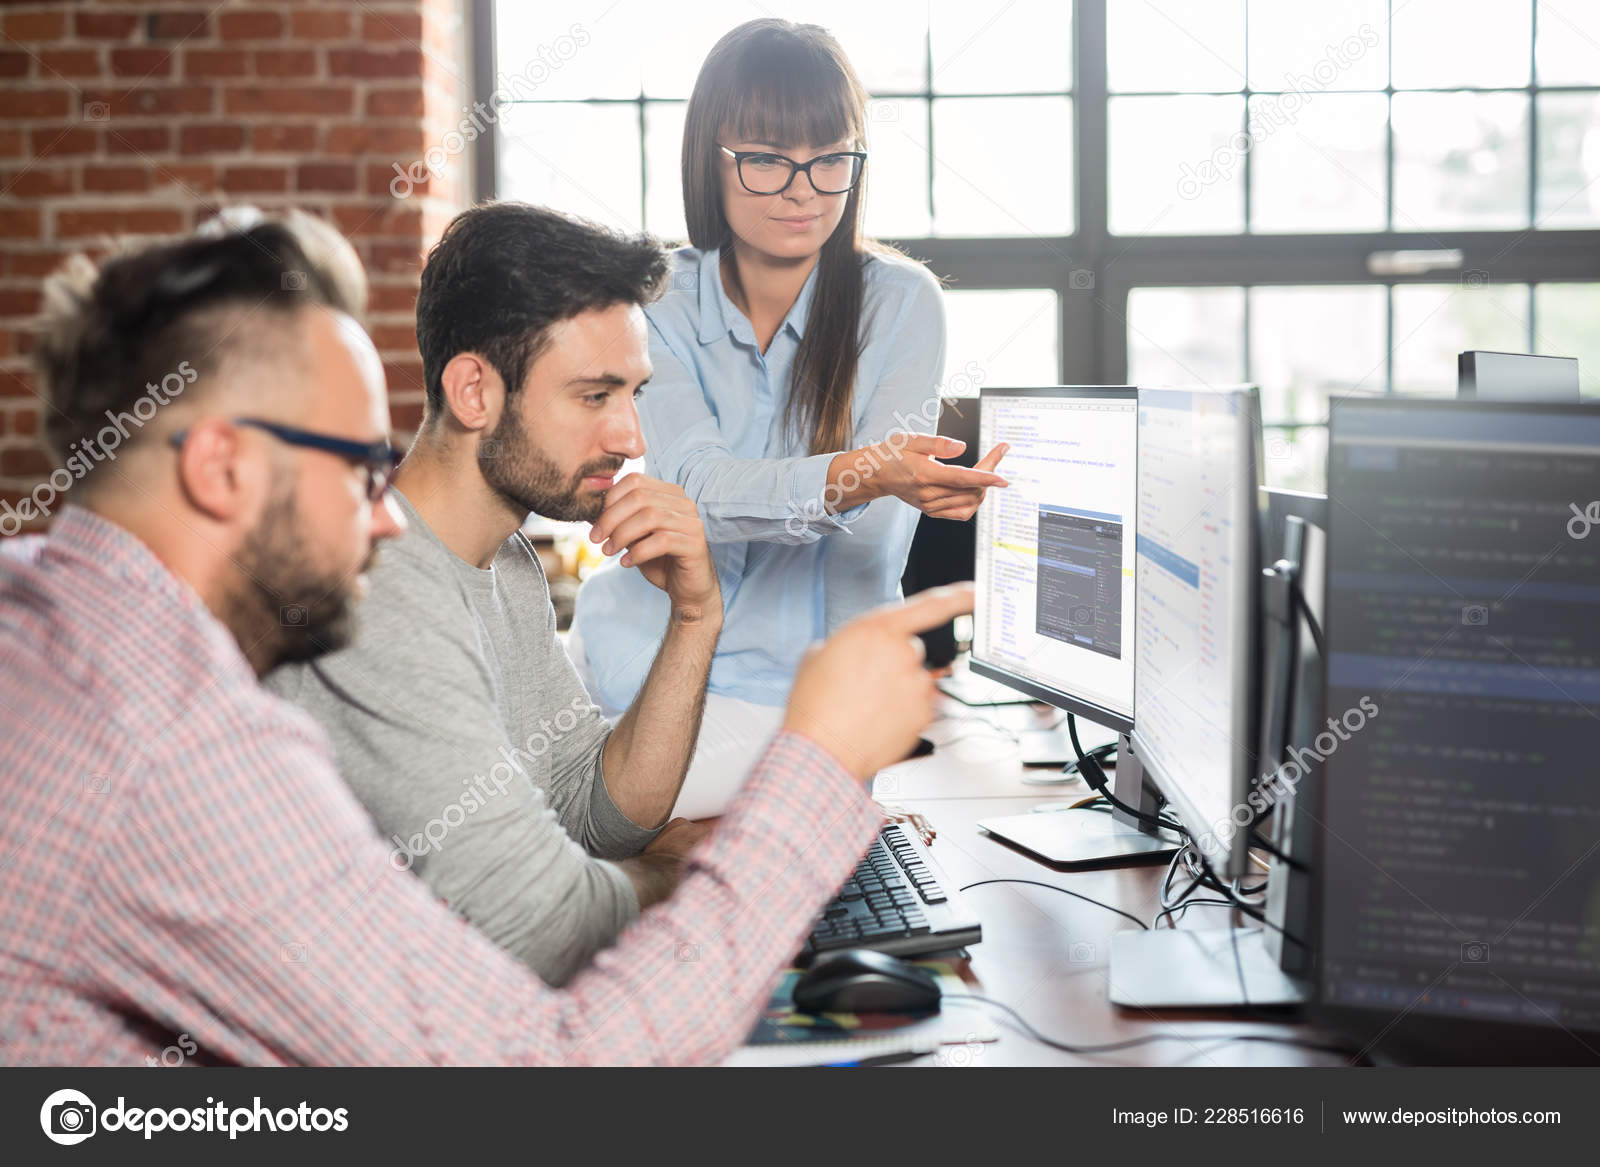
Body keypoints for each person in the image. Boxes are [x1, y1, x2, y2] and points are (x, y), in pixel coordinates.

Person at [0, 209, 973, 1066]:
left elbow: (588, 810)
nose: (379, 515)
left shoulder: (54, 619)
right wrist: (797, 796)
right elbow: (548, 1057)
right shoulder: (170, 738)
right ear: (220, 470)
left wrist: (696, 618)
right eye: (356, 465)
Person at [266, 202, 722, 987]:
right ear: (474, 391)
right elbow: (535, 926)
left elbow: (594, 813)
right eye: (594, 396)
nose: (631, 439)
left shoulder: (507, 563)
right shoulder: (378, 585)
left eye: (633, 394)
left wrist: (696, 615)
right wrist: (685, 875)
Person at [570, 19, 1007, 818]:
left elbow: (868, 541)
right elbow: (697, 493)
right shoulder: (658, 300)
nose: (804, 189)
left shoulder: (902, 304)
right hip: (637, 662)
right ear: (711, 159)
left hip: (807, 702)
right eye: (768, 159)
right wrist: (863, 472)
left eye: (831, 158)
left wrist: (863, 482)